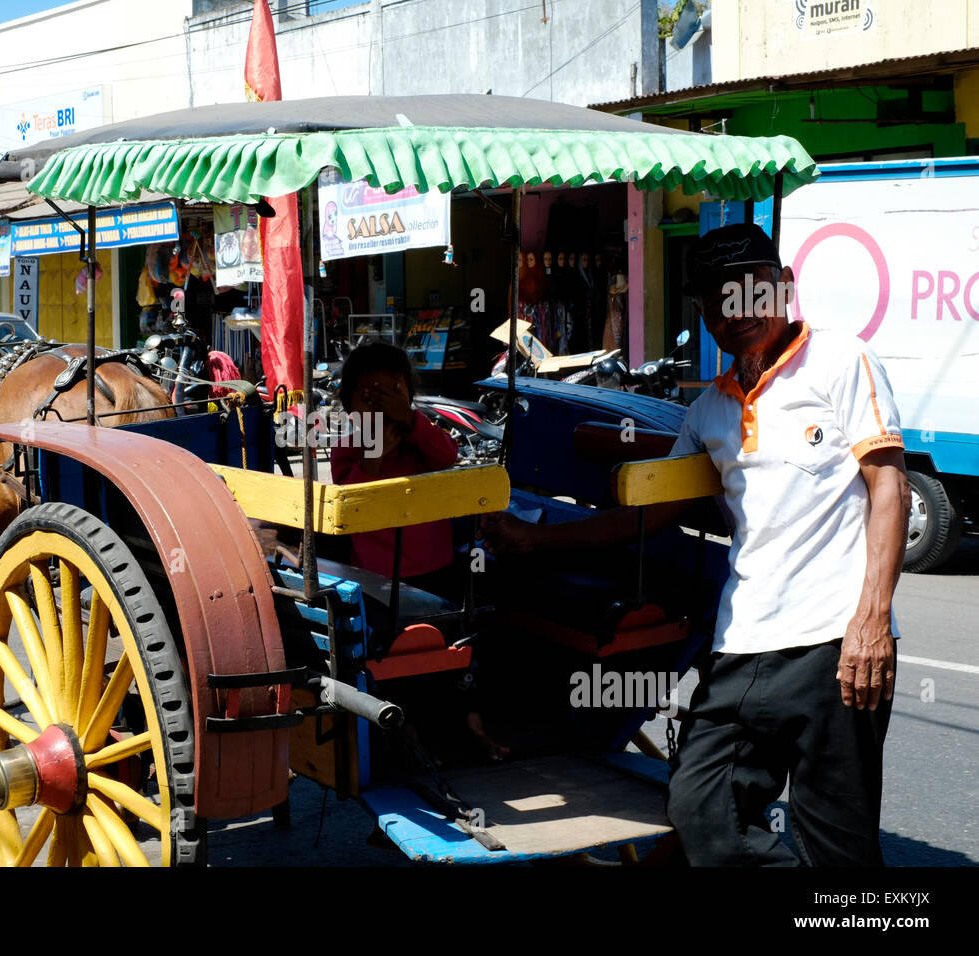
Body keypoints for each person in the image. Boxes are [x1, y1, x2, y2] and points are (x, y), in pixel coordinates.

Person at [486, 223, 908, 865]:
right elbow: (645, 518)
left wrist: (872, 620)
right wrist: (536, 539)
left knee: (837, 840)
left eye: (747, 291)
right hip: (740, 645)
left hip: (834, 641)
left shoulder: (841, 361)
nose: (731, 312)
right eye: (715, 300)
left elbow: (889, 489)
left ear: (783, 289)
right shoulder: (708, 411)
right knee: (701, 811)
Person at [331, 341, 507, 760]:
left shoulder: (421, 434)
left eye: (390, 393)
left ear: (408, 395)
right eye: (367, 395)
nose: (378, 404)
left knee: (459, 647)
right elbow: (348, 494)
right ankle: (403, 730)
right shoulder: (349, 442)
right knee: (391, 660)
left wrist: (407, 421)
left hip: (436, 568)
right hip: (376, 580)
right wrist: (377, 451)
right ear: (349, 401)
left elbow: (446, 456)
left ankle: (469, 724)